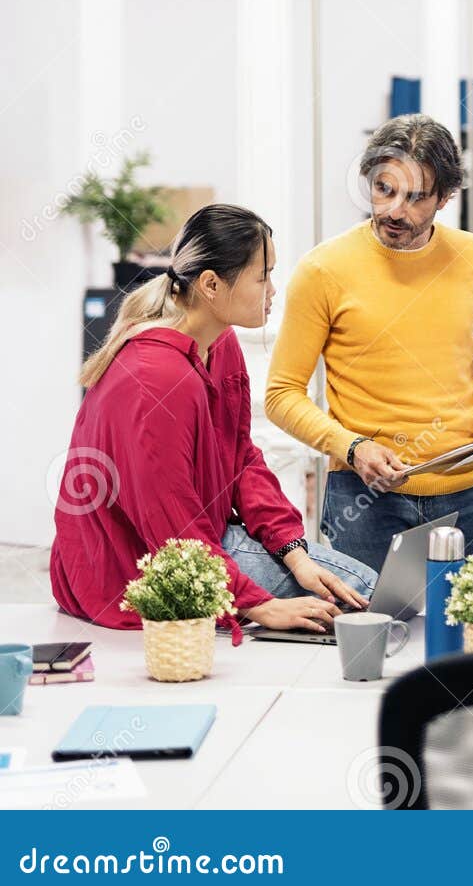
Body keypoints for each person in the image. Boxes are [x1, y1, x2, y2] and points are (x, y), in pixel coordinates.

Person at [51, 205, 375, 635]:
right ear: (210, 285)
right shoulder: (157, 379)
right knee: (363, 594)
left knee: (355, 593)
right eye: (263, 277)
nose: (272, 290)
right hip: (133, 568)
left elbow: (241, 458)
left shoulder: (221, 345)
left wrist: (293, 551)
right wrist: (258, 606)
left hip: (200, 538)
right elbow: (170, 525)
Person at [265, 114, 473, 574]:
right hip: (366, 499)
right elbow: (281, 394)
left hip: (469, 494)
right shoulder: (323, 270)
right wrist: (352, 447)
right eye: (384, 189)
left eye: (415, 197)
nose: (394, 210)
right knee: (374, 620)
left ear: (445, 197)